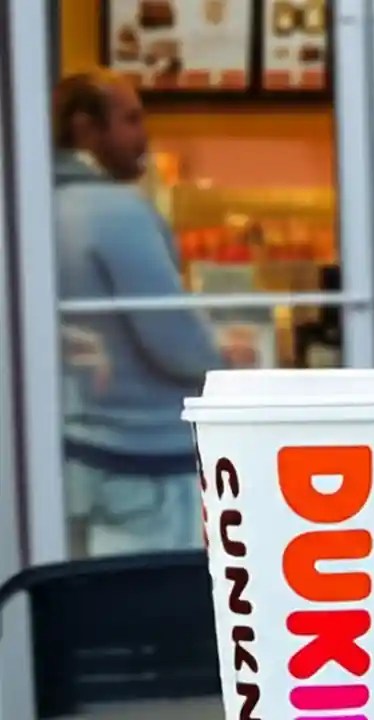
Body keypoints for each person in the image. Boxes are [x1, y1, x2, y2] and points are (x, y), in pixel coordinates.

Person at [53, 69, 253, 556]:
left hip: (82, 454)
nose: (144, 136)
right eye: (130, 120)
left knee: (104, 619)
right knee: (159, 621)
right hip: (148, 462)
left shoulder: (38, 207)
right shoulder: (117, 211)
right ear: (86, 128)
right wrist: (229, 358)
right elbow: (175, 342)